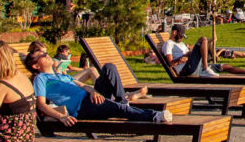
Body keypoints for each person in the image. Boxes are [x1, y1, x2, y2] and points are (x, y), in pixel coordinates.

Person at [27, 48, 171, 124]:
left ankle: (122, 100)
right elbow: (40, 104)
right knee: (119, 110)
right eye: (42, 55)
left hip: (91, 98)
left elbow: (83, 85)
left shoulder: (60, 75)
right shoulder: (41, 78)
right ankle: (154, 116)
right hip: (82, 107)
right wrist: (61, 117)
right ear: (35, 65)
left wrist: (93, 91)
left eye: (46, 53)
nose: (47, 55)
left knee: (109, 67)